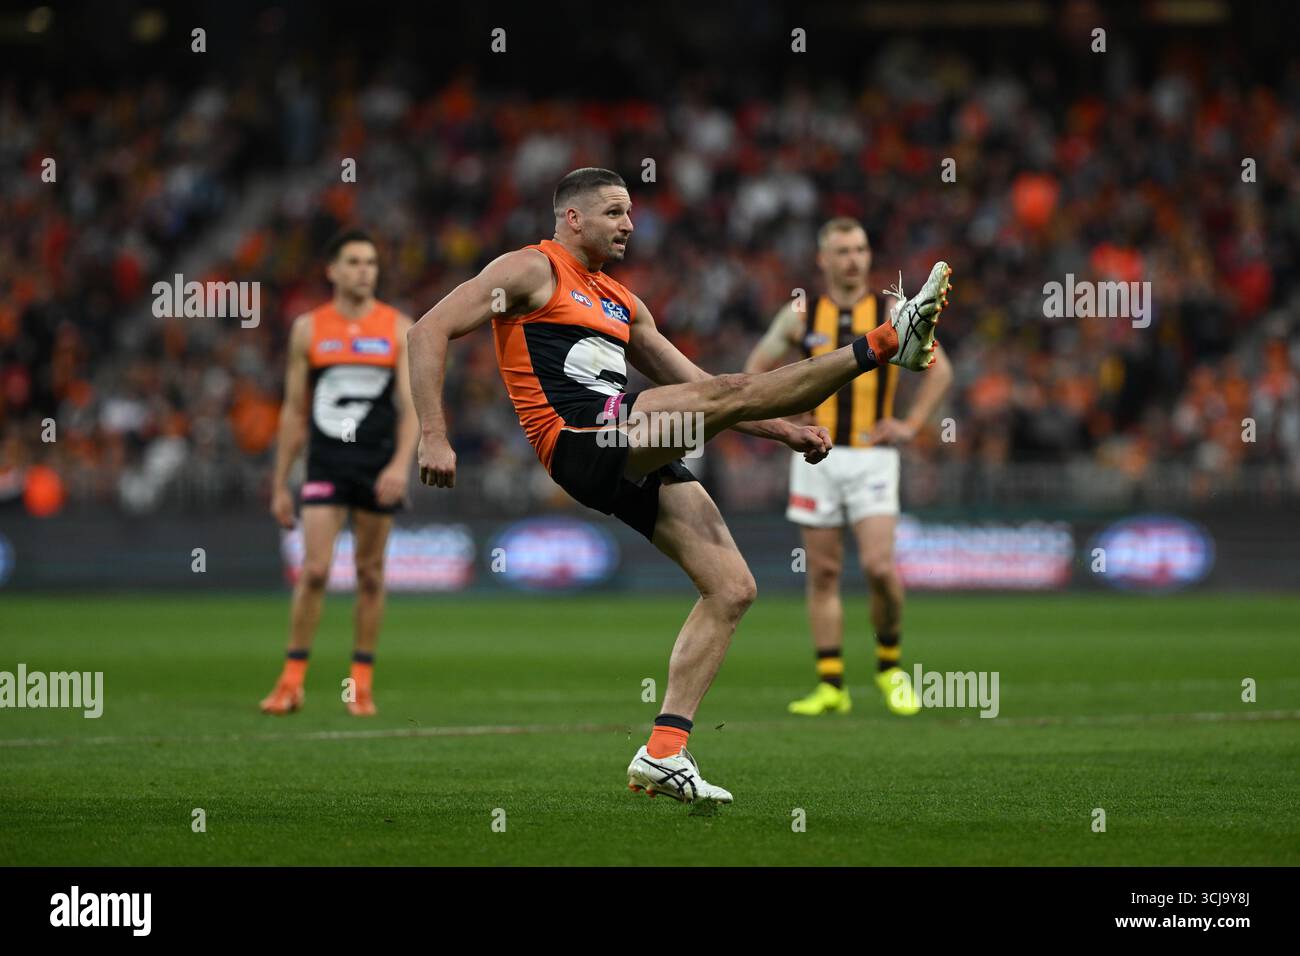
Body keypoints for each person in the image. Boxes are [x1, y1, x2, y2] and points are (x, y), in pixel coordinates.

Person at [407, 169, 950, 804]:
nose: (629, 225)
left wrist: (786, 434)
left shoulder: (622, 303)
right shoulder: (531, 269)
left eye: (630, 212)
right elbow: (426, 330)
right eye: (614, 212)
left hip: (628, 446)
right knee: (719, 395)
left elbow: (707, 385)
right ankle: (889, 341)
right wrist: (432, 434)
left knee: (732, 588)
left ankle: (663, 752)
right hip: (582, 441)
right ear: (572, 217)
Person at [746, 218, 953, 717]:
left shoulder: (890, 310)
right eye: (842, 250)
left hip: (873, 456)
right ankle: (831, 684)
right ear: (823, 259)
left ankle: (889, 667)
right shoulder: (801, 312)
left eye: (860, 249)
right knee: (823, 573)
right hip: (816, 454)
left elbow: (939, 368)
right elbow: (754, 371)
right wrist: (786, 418)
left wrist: (910, 424)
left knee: (881, 568)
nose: (853, 259)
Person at [260, 230, 418, 717]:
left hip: (376, 467)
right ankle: (291, 683)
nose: (364, 270)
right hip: (325, 463)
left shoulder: (397, 328)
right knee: (315, 570)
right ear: (332, 270)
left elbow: (412, 408)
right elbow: (292, 410)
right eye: (353, 261)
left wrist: (399, 467)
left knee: (370, 575)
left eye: (370, 262)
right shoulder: (309, 328)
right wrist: (280, 483)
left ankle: (361, 686)